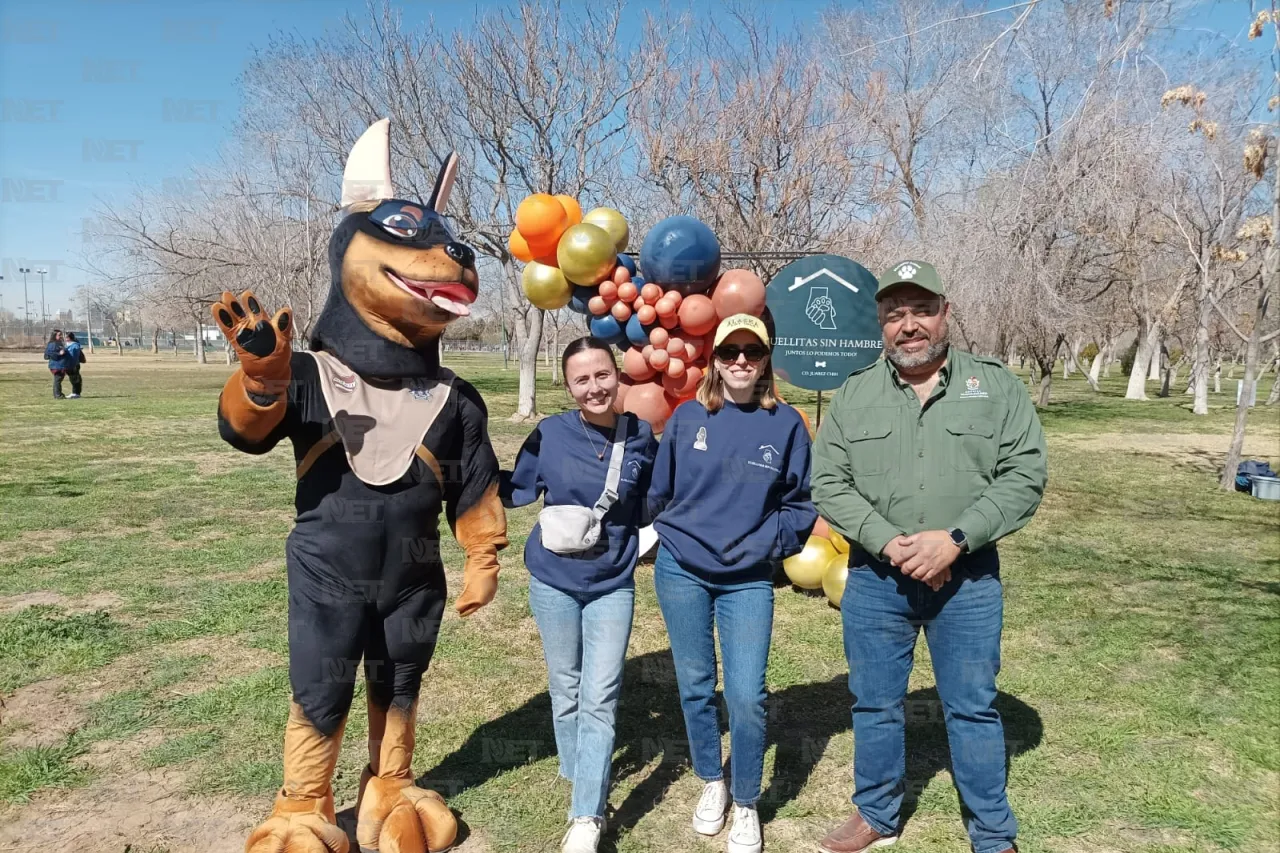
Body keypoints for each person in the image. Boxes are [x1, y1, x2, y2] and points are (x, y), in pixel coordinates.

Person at [810, 260, 1047, 853]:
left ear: (945, 313)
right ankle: (876, 813)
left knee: (971, 707)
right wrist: (890, 541)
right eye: (894, 314)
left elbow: (1023, 476)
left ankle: (992, 833)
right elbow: (829, 483)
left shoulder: (997, 387)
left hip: (965, 580)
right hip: (875, 581)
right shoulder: (855, 393)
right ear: (880, 325)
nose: (907, 325)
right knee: (875, 702)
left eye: (920, 310)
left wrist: (955, 539)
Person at [647, 314, 818, 853]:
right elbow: (658, 493)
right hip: (682, 570)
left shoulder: (787, 424)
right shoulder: (687, 418)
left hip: (747, 579)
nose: (740, 360)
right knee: (696, 685)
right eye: (729, 352)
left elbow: (800, 506)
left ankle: (746, 802)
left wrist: (768, 545)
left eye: (752, 351)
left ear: (765, 360)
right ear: (714, 359)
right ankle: (711, 781)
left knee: (746, 695)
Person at [500, 336, 658, 853]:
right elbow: (514, 489)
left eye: (602, 375)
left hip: (612, 582)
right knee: (565, 684)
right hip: (553, 580)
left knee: (600, 693)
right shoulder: (549, 434)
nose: (595, 387)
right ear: (568, 387)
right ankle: (578, 771)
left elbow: (657, 501)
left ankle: (586, 816)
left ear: (618, 376)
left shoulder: (641, 438)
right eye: (582, 380)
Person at [43, 330, 68, 399]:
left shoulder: (60, 343)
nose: (61, 336)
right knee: (58, 379)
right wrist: (59, 354)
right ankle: (57, 395)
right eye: (59, 335)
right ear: (54, 336)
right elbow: (49, 354)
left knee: (58, 379)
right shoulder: (53, 344)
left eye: (61, 335)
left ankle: (58, 393)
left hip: (61, 364)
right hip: (56, 365)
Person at [63, 332, 86, 398]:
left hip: (73, 365)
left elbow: (74, 357)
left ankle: (76, 393)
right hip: (69, 364)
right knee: (72, 378)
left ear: (69, 338)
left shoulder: (74, 345)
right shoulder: (67, 345)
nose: (65, 338)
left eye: (66, 337)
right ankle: (75, 392)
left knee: (75, 378)